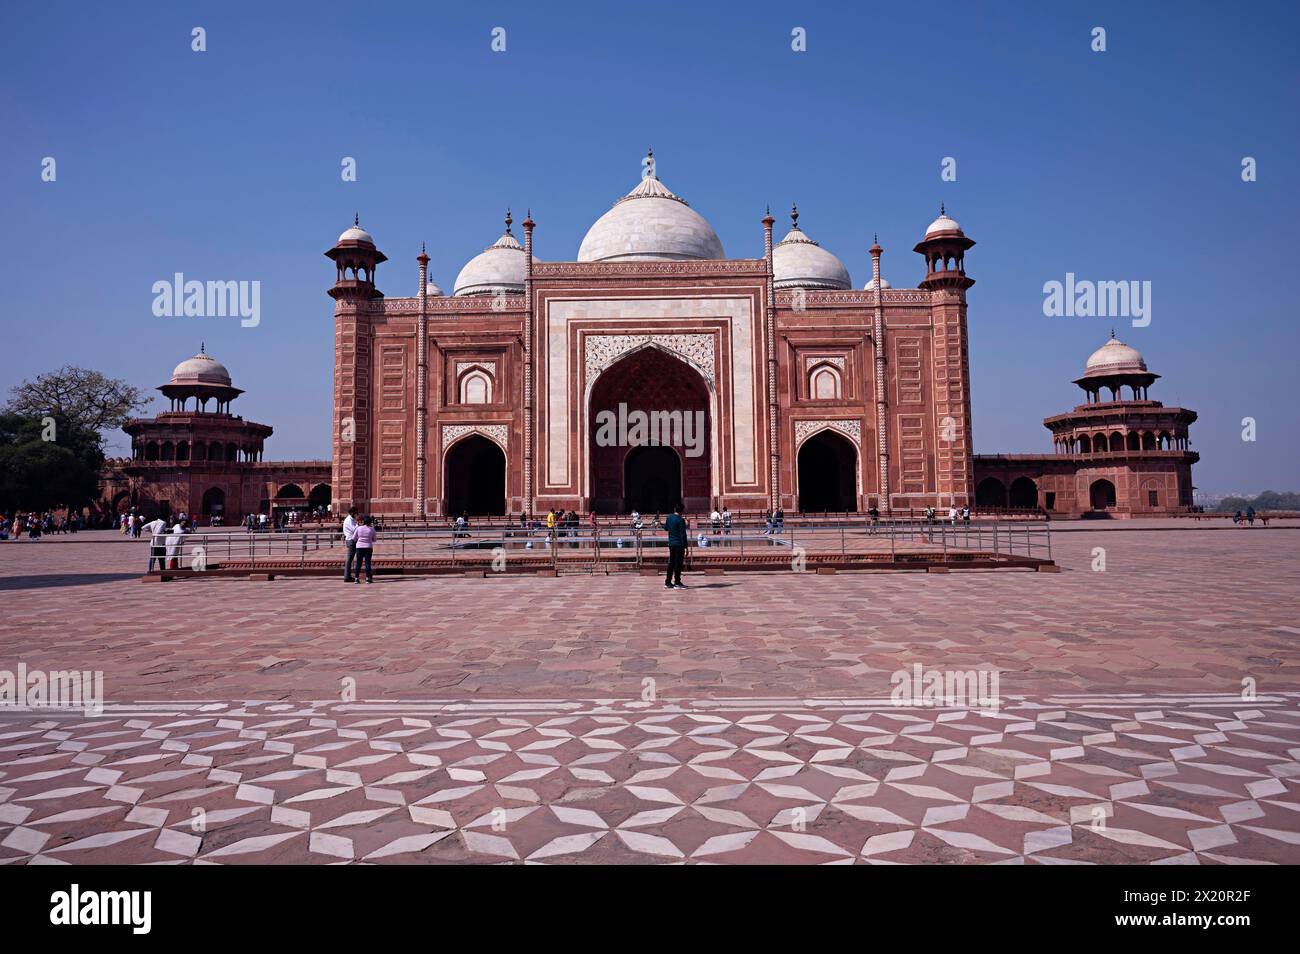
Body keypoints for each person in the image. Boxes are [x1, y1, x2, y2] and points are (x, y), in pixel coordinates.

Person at [664, 503, 688, 589]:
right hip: (679, 545)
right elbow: (683, 535)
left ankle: (667, 582)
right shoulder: (680, 520)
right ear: (682, 511)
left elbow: (666, 528)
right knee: (678, 564)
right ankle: (677, 582)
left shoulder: (669, 517)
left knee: (671, 563)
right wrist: (686, 547)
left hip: (671, 543)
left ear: (675, 509)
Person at [353, 516, 376, 583]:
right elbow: (374, 539)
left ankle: (356, 578)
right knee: (367, 563)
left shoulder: (358, 528)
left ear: (364, 521)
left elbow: (354, 538)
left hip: (359, 547)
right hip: (368, 547)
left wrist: (359, 539)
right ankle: (368, 578)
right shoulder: (372, 529)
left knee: (358, 563)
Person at [342, 506, 359, 581]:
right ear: (352, 513)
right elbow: (354, 530)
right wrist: (359, 525)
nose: (357, 514)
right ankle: (347, 576)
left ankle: (348, 576)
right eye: (356, 513)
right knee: (349, 559)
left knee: (350, 559)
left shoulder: (351, 519)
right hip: (351, 540)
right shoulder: (349, 520)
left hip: (352, 540)